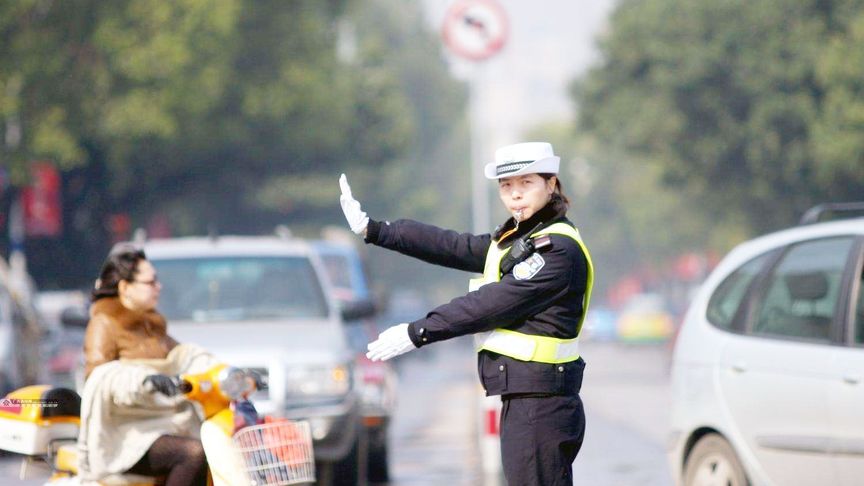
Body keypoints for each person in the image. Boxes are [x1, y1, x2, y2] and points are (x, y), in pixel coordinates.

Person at [339, 141, 594, 486]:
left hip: (542, 404)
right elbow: (452, 245)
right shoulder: (521, 240)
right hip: (529, 397)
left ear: (551, 184)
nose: (515, 195)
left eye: (526, 183)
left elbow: (490, 305)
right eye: (507, 186)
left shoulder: (556, 250)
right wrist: (377, 231)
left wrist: (418, 333)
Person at [81, 246, 208, 486]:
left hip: (163, 425)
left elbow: (187, 358)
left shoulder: (152, 326)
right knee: (193, 453)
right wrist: (144, 381)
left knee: (215, 446)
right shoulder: (103, 324)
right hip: (125, 434)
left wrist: (230, 373)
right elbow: (99, 379)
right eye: (151, 282)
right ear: (125, 287)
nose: (158, 287)